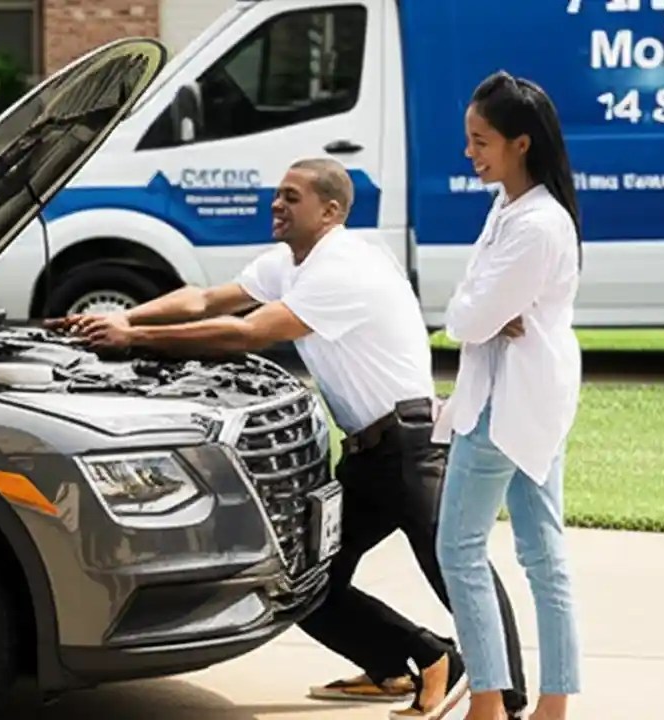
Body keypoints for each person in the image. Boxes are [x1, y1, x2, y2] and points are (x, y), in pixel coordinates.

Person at [48, 157, 529, 719]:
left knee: (457, 567)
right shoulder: (290, 262)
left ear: (330, 211)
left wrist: (135, 338)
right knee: (304, 581)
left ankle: (509, 699)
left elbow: (248, 331)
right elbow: (205, 300)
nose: (277, 204)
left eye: (291, 197)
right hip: (367, 454)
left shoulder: (343, 267)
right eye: (278, 194)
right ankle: (413, 659)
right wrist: (128, 318)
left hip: (412, 447)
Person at [432, 70, 584, 720]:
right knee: (542, 555)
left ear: (521, 143)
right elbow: (470, 304)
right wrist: (483, 306)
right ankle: (548, 708)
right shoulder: (512, 209)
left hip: (506, 406)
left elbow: (463, 320)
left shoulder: (535, 226)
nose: (470, 151)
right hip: (525, 400)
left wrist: (480, 308)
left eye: (481, 140)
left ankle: (488, 704)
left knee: (458, 547)